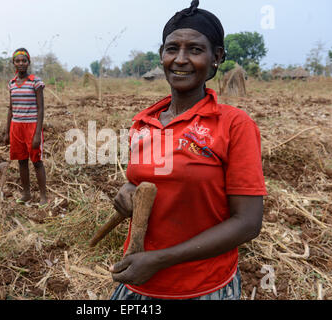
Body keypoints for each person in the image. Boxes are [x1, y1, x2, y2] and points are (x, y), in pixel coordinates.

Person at [110, 0, 267, 300]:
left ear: (216, 57)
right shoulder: (143, 122)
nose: (180, 59)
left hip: (201, 286)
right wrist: (128, 190)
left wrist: (160, 260)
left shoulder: (234, 125)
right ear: (162, 55)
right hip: (138, 279)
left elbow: (248, 222)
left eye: (195, 50)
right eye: (172, 49)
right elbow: (149, 180)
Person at [4, 48, 48, 207]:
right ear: (13, 63)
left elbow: (41, 108)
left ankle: (43, 196)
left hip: (31, 127)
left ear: (28, 63)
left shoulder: (35, 82)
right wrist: (6, 130)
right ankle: (26, 193)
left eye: (24, 61)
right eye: (18, 61)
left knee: (37, 161)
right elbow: (11, 108)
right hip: (16, 127)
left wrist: (37, 133)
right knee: (21, 161)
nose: (21, 63)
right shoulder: (11, 84)